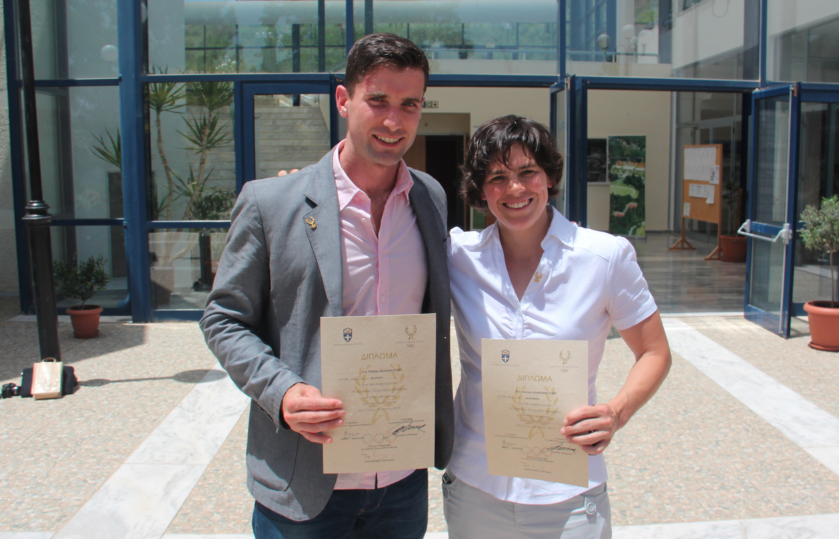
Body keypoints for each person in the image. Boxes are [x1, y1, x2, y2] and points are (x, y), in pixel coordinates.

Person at [200, 33, 454, 539]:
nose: (393, 121)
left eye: (410, 105)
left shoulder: (431, 197)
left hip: (401, 483)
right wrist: (283, 390)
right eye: (377, 100)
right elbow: (223, 319)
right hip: (305, 486)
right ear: (343, 100)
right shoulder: (272, 203)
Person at [443, 115, 671, 538]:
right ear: (480, 190)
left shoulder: (604, 258)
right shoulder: (458, 256)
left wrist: (616, 413)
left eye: (527, 172)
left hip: (569, 493)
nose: (514, 189)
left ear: (548, 177)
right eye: (497, 177)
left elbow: (655, 351)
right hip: (476, 487)